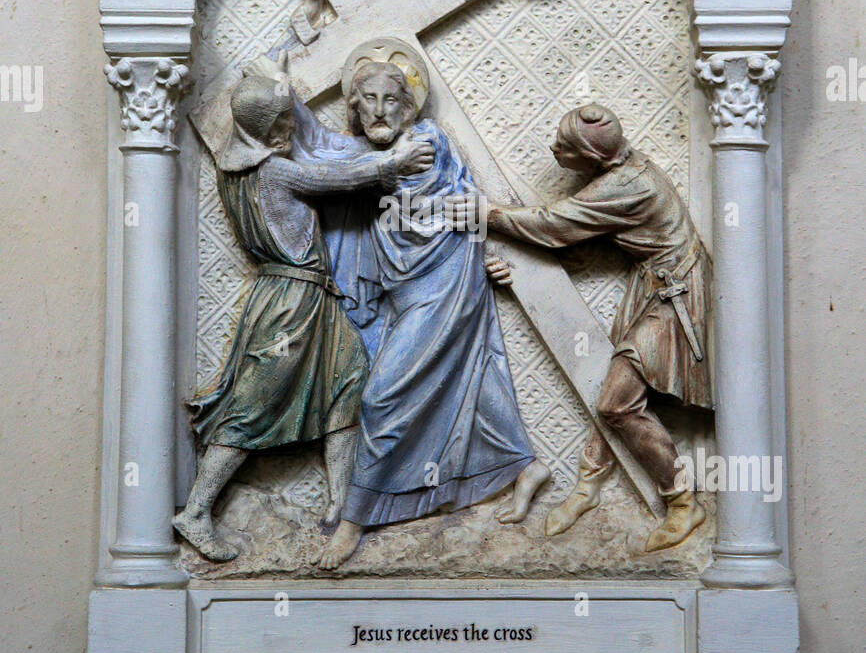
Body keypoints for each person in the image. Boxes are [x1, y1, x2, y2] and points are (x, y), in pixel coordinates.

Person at [291, 51, 549, 569]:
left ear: (410, 107)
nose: (382, 112)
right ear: (354, 108)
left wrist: (374, 172)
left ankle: (354, 520)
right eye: (369, 102)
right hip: (411, 285)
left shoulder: (425, 143)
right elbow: (325, 156)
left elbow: (423, 203)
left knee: (383, 395)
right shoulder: (375, 153)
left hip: (442, 280)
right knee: (472, 373)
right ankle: (524, 466)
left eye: (393, 101)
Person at [173, 55, 434, 561]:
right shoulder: (272, 173)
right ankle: (197, 510)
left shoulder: (239, 166)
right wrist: (392, 164)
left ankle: (342, 501)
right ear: (265, 130)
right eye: (284, 122)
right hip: (290, 302)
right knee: (254, 404)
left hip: (315, 297)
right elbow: (335, 181)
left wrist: (279, 76)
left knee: (348, 385)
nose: (291, 129)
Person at [481, 103, 713, 553]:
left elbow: (553, 225)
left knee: (617, 404)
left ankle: (683, 501)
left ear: (590, 153)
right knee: (614, 393)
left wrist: (485, 212)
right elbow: (585, 242)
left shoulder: (627, 184)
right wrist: (519, 271)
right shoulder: (621, 175)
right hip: (653, 286)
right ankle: (588, 486)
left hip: (676, 297)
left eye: (564, 146)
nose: (554, 150)